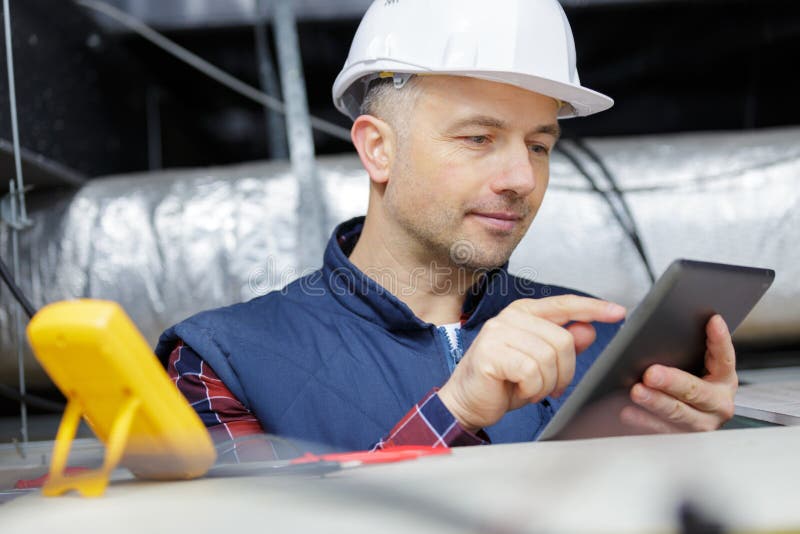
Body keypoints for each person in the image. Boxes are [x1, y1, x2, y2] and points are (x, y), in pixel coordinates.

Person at [155, 0, 737, 459]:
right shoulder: (222, 362)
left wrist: (695, 456)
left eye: (538, 145)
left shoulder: (605, 345)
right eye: (478, 138)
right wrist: (453, 410)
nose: (520, 178)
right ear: (378, 149)